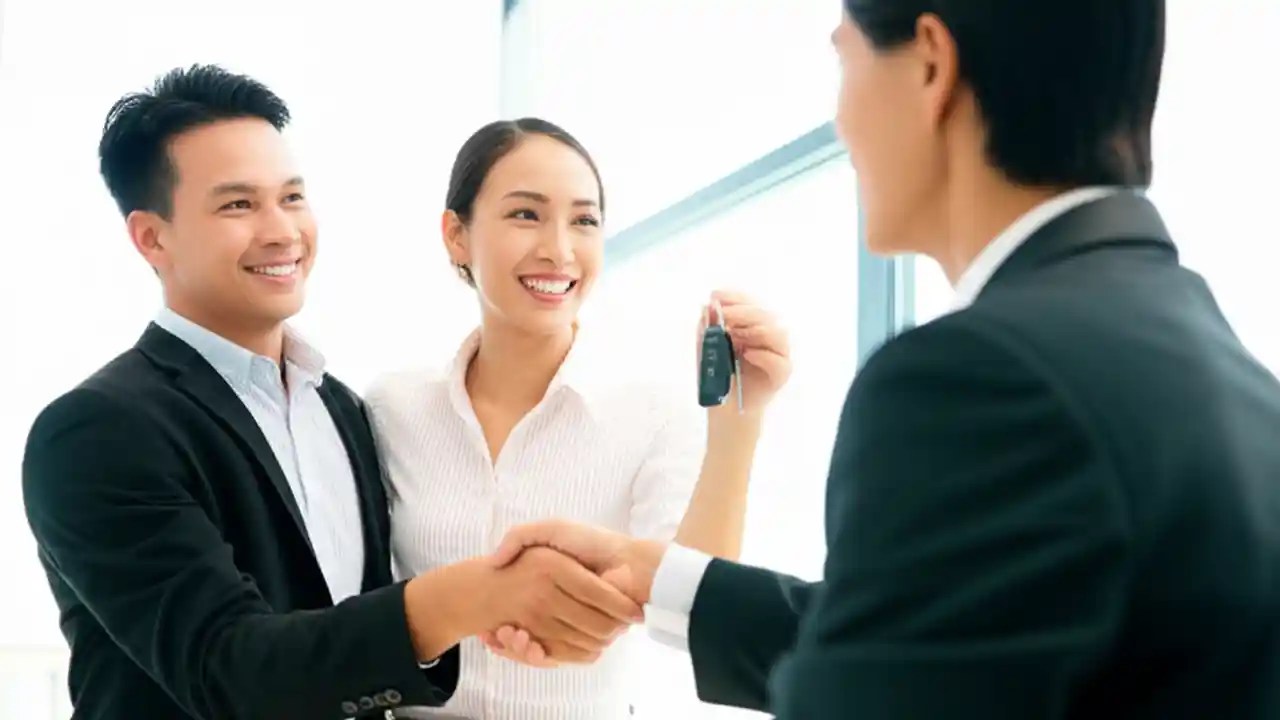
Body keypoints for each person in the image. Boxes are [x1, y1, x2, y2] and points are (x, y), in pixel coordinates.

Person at [489, 1, 1280, 718]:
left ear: (931, 64)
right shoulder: (1221, 366)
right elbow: (958, 634)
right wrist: (663, 580)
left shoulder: (977, 378)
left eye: (845, 61)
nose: (839, 123)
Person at [20, 65, 644, 720]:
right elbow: (226, 670)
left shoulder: (342, 408)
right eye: (238, 204)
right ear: (152, 236)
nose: (282, 231)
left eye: (291, 198)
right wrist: (470, 596)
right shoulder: (96, 430)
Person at [363, 118, 793, 719]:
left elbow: (694, 598)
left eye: (584, 221)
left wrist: (736, 423)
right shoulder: (391, 408)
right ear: (456, 236)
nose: (559, 249)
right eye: (525, 215)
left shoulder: (649, 409)